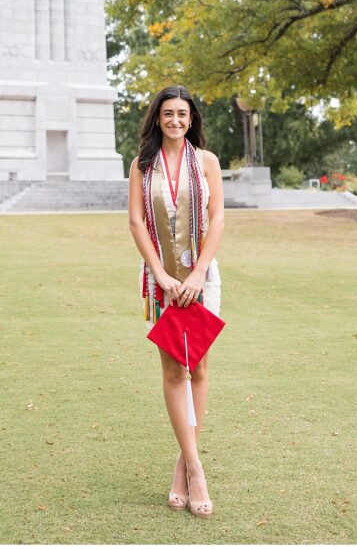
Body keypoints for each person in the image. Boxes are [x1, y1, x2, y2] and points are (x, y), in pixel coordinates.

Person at [128, 85, 225, 518]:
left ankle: (184, 466)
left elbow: (218, 216)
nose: (175, 120)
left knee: (199, 366)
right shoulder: (142, 165)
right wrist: (162, 275)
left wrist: (200, 270)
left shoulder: (206, 162)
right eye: (168, 113)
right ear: (157, 118)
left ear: (192, 118)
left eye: (182, 114)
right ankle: (196, 468)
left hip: (203, 276)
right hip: (161, 279)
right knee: (173, 369)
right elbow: (135, 221)